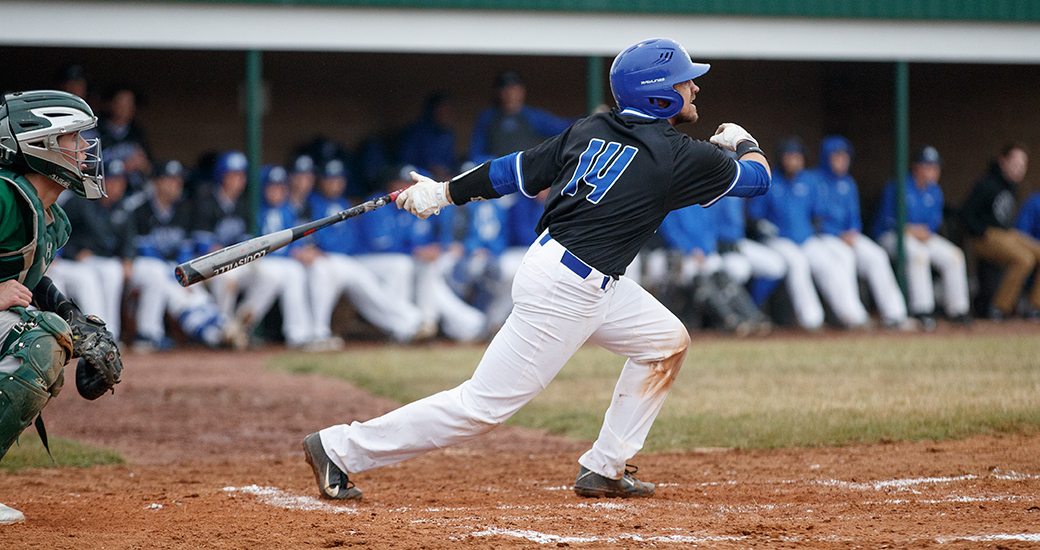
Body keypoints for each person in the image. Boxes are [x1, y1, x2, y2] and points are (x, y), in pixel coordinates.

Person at [302, 38, 771, 501]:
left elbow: (513, 170)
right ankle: (341, 449)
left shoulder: (594, 127)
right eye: (685, 82)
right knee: (481, 407)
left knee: (665, 342)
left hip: (577, 273)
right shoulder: (681, 156)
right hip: (568, 288)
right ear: (659, 92)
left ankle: (605, 466)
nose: (694, 89)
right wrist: (743, 141)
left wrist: (444, 193)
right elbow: (758, 178)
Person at [0, 90, 123, 524]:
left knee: (52, 334)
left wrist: (71, 316)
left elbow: (32, 281)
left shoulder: (54, 216)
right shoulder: (1, 194)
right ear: (39, 143)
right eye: (72, 137)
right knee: (37, 344)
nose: (84, 148)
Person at [306, 159, 430, 344]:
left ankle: (406, 325)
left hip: (349, 260)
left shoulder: (344, 202)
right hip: (330, 259)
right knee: (325, 272)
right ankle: (317, 333)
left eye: (339, 179)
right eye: (330, 179)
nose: (335, 183)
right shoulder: (312, 203)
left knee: (378, 287)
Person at [810, 136, 916, 330]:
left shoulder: (849, 183)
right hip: (825, 237)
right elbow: (813, 218)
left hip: (848, 236)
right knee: (845, 256)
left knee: (877, 256)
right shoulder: (814, 180)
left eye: (845, 156)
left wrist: (853, 232)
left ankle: (895, 314)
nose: (842, 160)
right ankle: (854, 316)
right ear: (826, 157)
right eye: (837, 156)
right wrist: (837, 233)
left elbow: (854, 216)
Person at [126, 159, 229, 351]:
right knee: (161, 276)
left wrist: (186, 275)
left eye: (179, 180)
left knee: (192, 286)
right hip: (141, 266)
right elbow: (144, 250)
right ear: (156, 182)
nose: (176, 185)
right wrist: (176, 276)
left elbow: (184, 250)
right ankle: (148, 334)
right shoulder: (140, 209)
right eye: (170, 180)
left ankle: (218, 325)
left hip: (170, 267)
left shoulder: (182, 211)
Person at [872, 146, 971, 327]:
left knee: (955, 256)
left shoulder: (935, 192)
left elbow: (933, 224)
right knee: (919, 254)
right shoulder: (897, 186)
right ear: (916, 167)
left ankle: (958, 309)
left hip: (922, 238)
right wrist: (909, 229)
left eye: (935, 167)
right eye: (928, 166)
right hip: (892, 236)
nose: (933, 172)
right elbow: (888, 220)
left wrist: (920, 232)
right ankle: (922, 309)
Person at [47, 159, 133, 342]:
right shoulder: (79, 202)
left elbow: (127, 241)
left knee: (112, 271)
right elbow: (57, 233)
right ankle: (98, 333)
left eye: (120, 181)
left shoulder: (123, 207)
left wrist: (127, 259)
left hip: (102, 260)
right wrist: (73, 253)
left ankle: (110, 333)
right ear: (100, 181)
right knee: (89, 277)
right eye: (112, 180)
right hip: (72, 262)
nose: (117, 186)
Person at [745, 138, 826, 331]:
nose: (793, 161)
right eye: (789, 156)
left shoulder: (809, 180)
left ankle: (852, 316)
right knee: (797, 262)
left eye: (797, 156)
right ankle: (811, 319)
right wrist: (768, 229)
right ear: (781, 158)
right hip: (777, 241)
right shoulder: (769, 179)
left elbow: (817, 215)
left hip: (804, 239)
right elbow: (754, 217)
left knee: (829, 261)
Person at [961, 143, 1040, 318]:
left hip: (1006, 234)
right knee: (1024, 259)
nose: (1019, 169)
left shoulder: (1012, 186)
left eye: (1022, 165)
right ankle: (999, 307)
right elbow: (965, 214)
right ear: (1003, 162)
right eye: (1015, 164)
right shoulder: (987, 183)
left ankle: (1035, 306)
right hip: (985, 236)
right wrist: (982, 231)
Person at [467, 70, 573, 163]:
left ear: (522, 91)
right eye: (505, 89)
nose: (510, 94)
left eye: (514, 89)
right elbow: (475, 154)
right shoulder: (487, 117)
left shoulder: (531, 116)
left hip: (524, 173)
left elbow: (564, 130)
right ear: (498, 92)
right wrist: (492, 162)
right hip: (496, 174)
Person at [398, 91, 458, 182]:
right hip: (420, 174)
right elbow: (406, 162)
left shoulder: (448, 134)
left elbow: (451, 163)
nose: (447, 114)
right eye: (443, 110)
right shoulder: (417, 132)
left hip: (443, 178)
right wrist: (431, 169)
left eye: (449, 110)